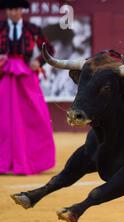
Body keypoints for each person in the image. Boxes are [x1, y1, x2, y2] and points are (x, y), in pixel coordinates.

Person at [0, 0, 56, 175]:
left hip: (25, 76)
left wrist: (37, 61)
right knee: (4, 119)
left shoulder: (32, 28)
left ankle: (30, 161)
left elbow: (49, 50)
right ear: (6, 11)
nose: (14, 12)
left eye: (16, 8)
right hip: (3, 76)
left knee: (34, 116)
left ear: (21, 10)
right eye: (11, 9)